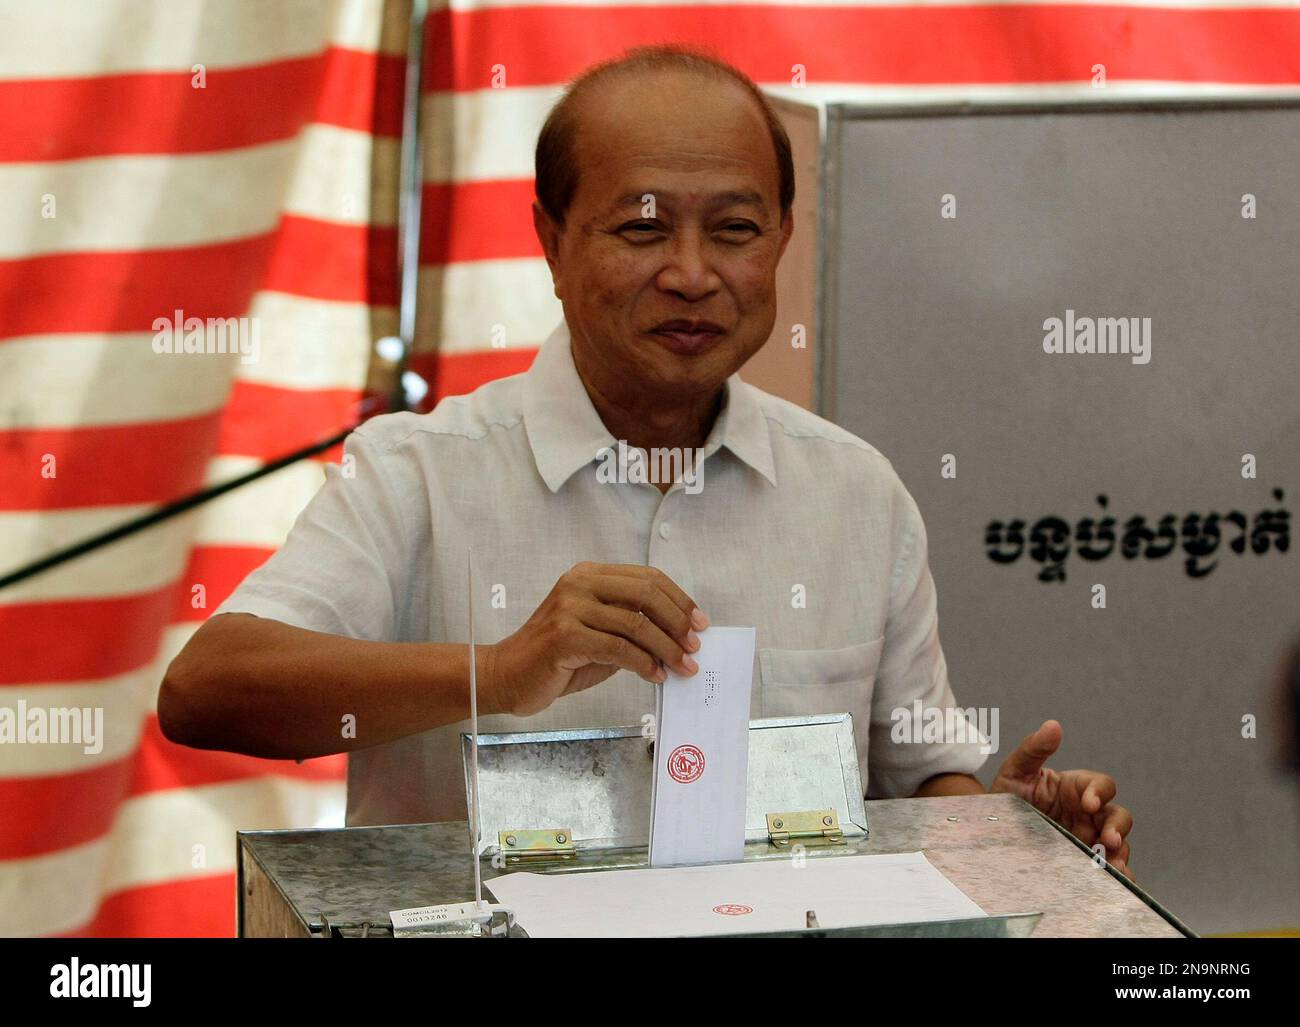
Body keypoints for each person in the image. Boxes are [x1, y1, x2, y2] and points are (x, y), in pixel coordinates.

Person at [160, 44, 1133, 879]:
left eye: (736, 229)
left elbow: (919, 779)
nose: (693, 273)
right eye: (641, 226)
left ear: (785, 240)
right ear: (549, 238)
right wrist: (496, 672)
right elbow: (207, 692)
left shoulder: (853, 491)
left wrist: (1007, 836)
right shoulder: (419, 471)